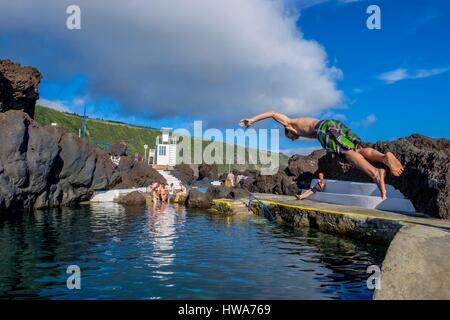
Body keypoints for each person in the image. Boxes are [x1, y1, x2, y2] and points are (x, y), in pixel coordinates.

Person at [240, 112, 404, 199]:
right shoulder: (305, 124)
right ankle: (383, 158)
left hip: (323, 129)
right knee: (358, 149)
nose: (294, 138)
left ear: (288, 130)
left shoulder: (289, 123)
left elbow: (273, 113)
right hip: (332, 123)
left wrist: (252, 120)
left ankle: (376, 173)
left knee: (347, 153)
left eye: (291, 137)